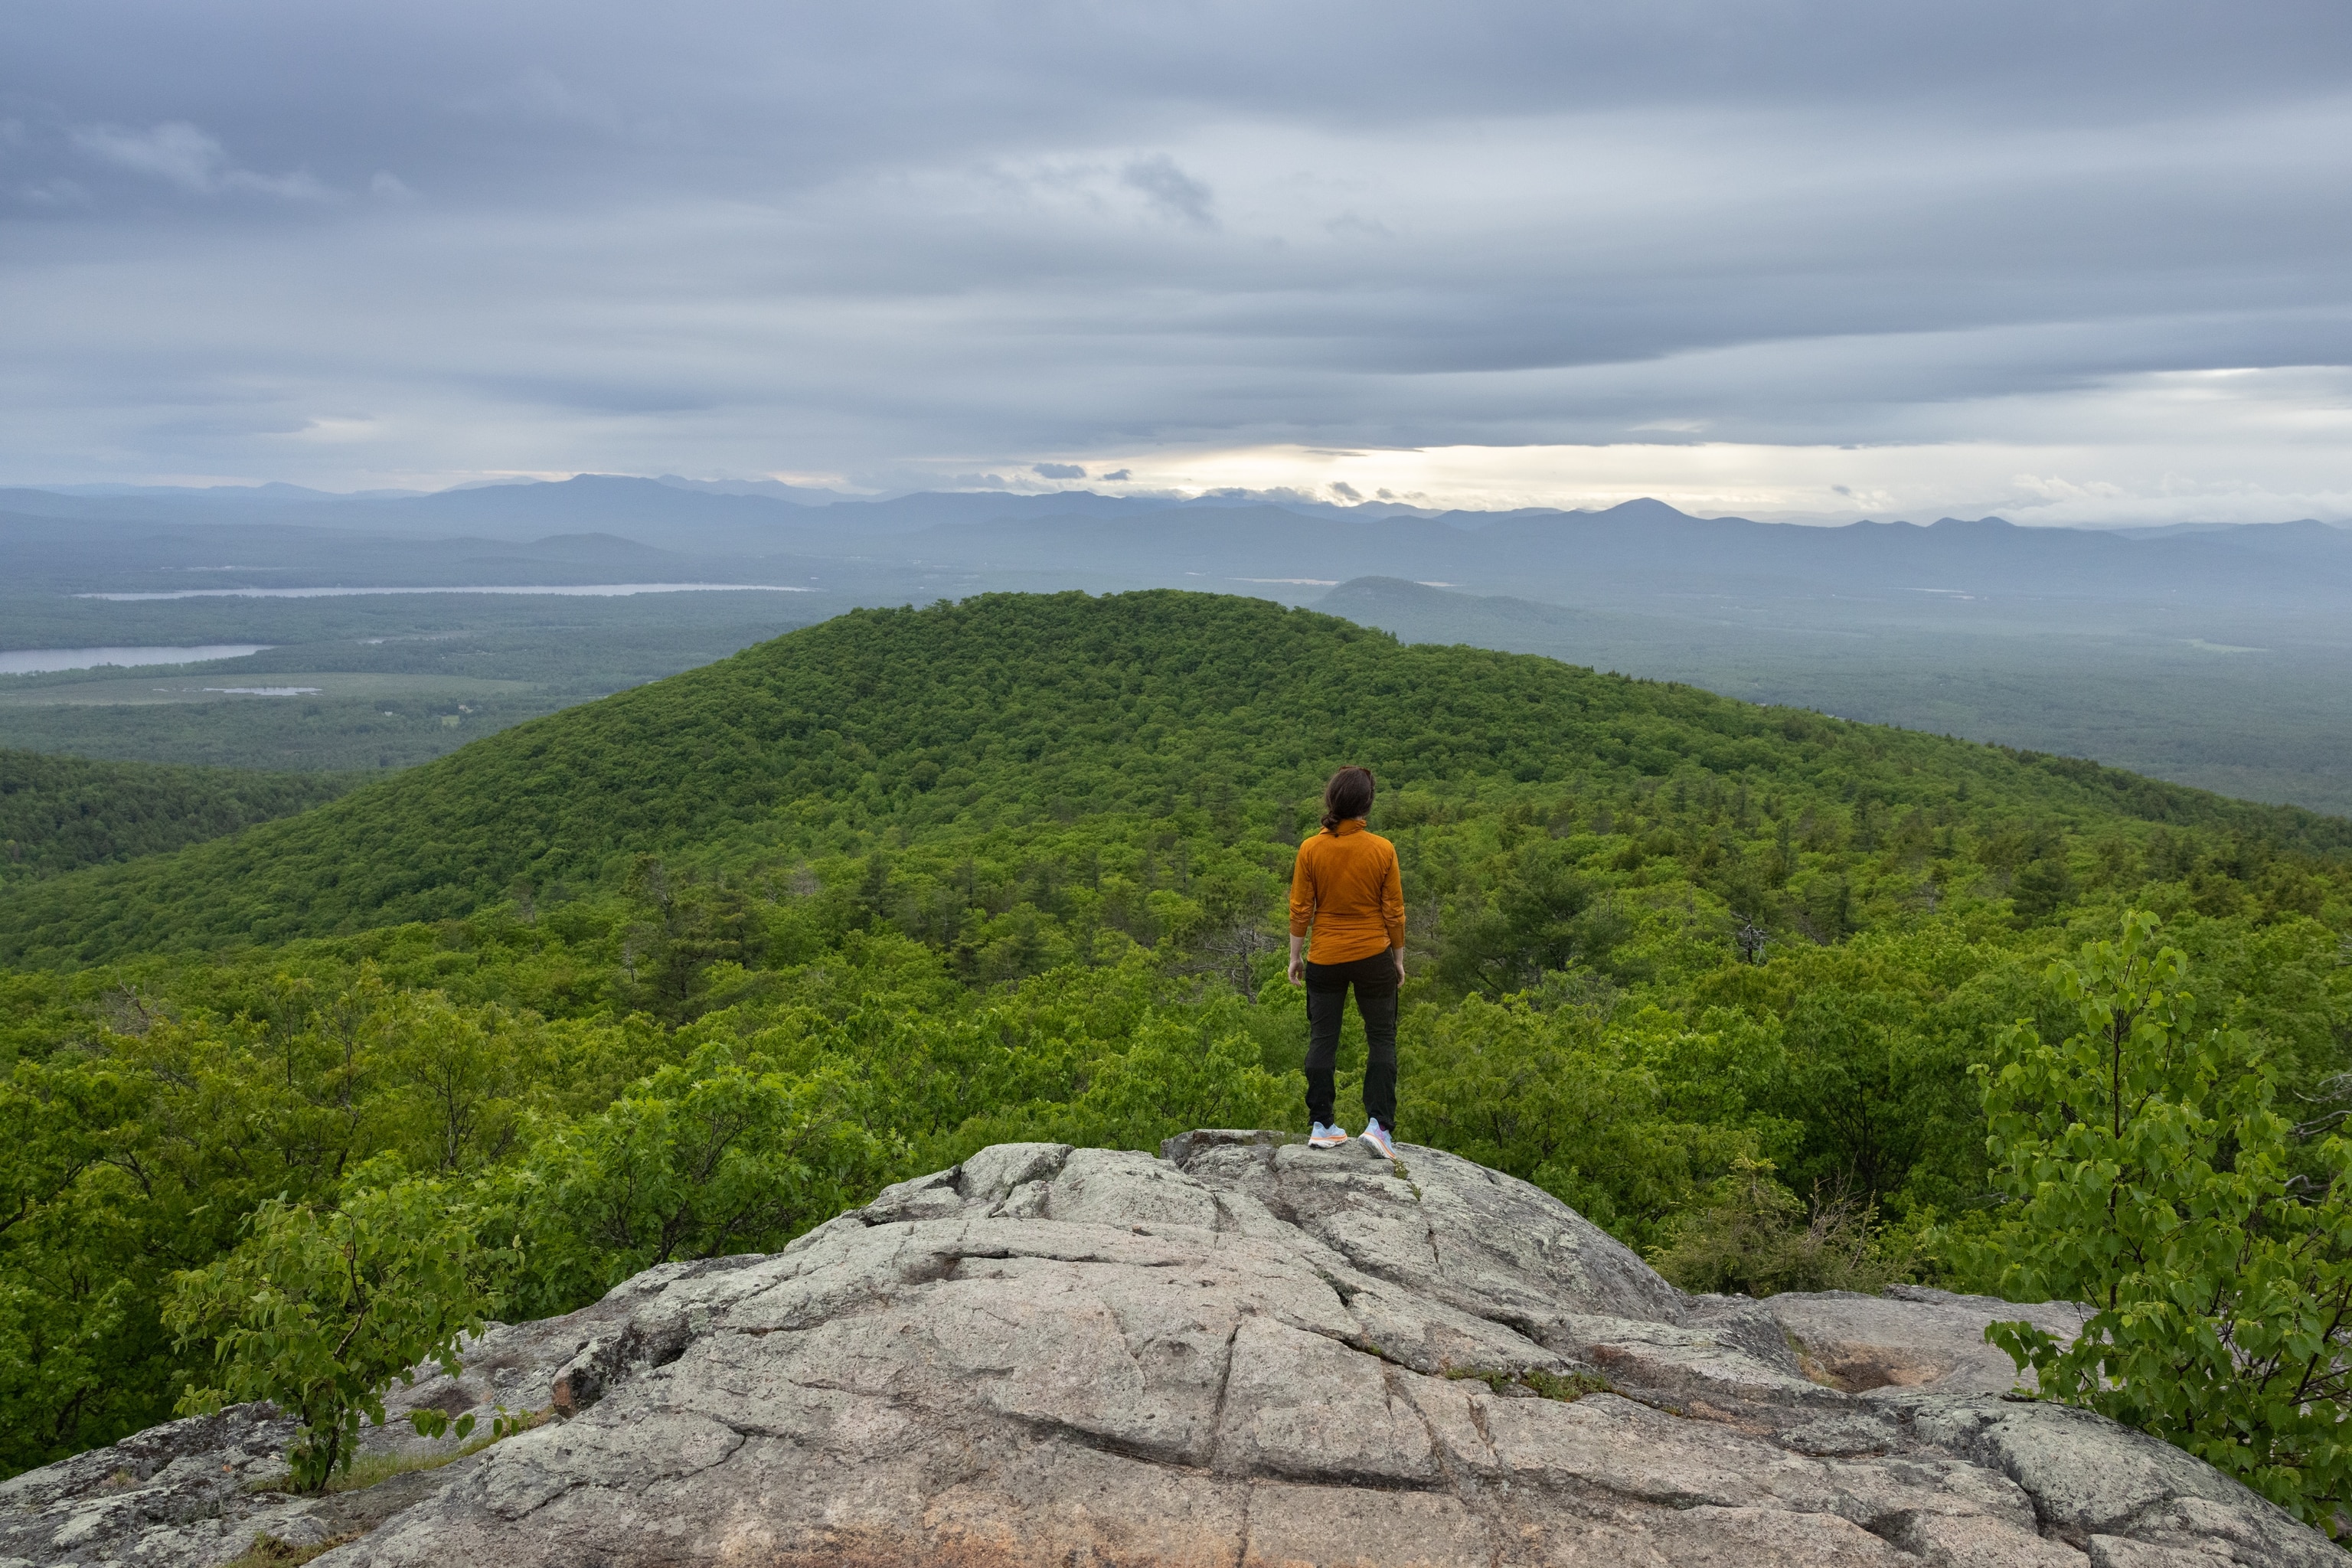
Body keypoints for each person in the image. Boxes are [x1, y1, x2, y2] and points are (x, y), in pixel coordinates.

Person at [1287, 765, 1406, 1159]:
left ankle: (1322, 1124)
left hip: (1325, 956)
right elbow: (1394, 912)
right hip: (1374, 955)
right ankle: (1379, 1127)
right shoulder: (1382, 849)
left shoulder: (1311, 848)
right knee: (1382, 1038)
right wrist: (1398, 958)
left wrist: (1294, 955)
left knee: (1323, 1040)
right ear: (1366, 804)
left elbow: (1301, 908)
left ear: (1332, 801)